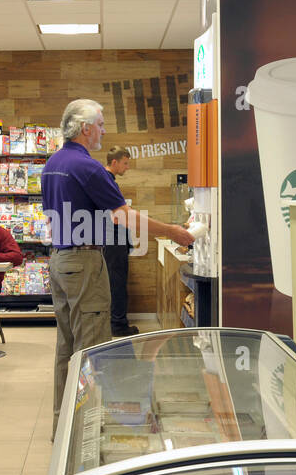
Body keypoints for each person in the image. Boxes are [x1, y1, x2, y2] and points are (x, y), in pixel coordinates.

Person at [41, 99, 195, 434]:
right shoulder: (88, 167)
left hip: (60, 260)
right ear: (85, 128)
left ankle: (62, 426)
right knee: (92, 348)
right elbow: (123, 216)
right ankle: (84, 433)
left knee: (66, 346)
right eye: (100, 124)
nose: (104, 130)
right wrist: (172, 231)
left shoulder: (53, 163)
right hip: (84, 261)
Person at [102, 147, 136, 336]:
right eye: (125, 163)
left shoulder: (108, 180)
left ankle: (117, 321)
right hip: (113, 238)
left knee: (116, 281)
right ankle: (119, 325)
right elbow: (115, 214)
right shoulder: (107, 181)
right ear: (114, 162)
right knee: (117, 282)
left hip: (113, 238)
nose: (127, 167)